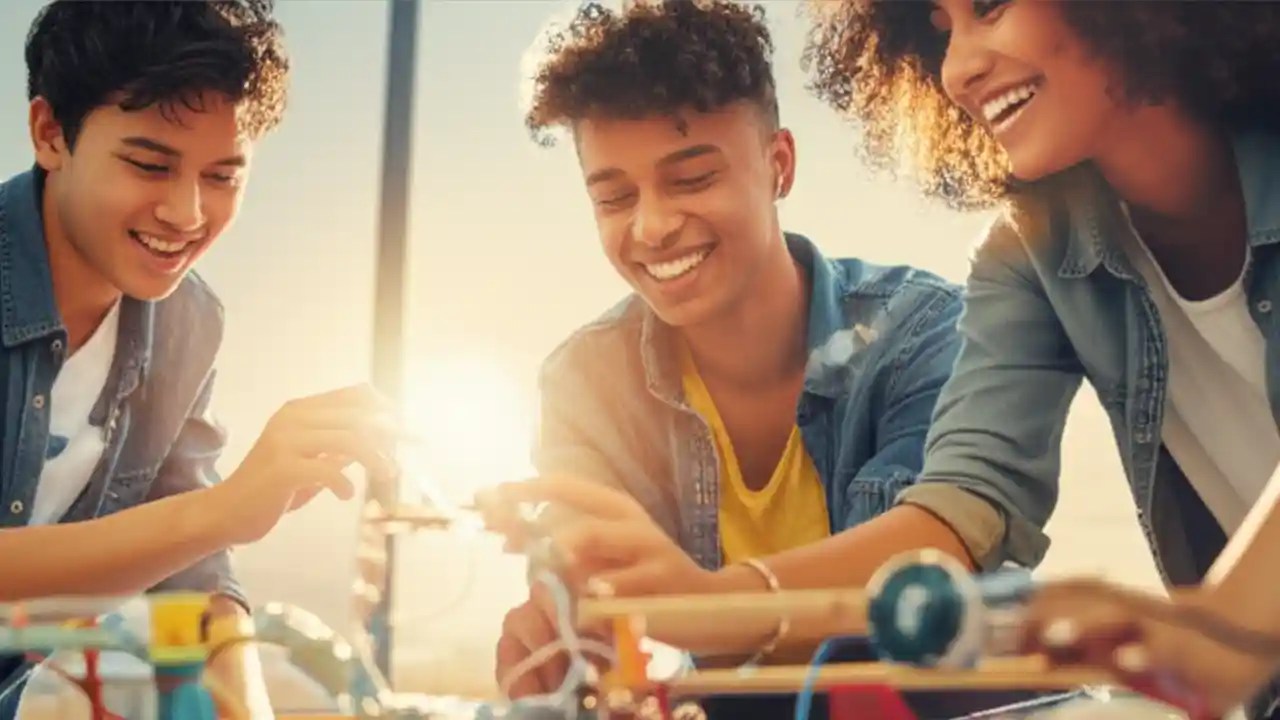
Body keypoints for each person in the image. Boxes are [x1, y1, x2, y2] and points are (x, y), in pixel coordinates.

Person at [799, 0, 1280, 716]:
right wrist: (687, 596)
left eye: (989, 7)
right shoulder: (1029, 248)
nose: (958, 70)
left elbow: (1220, 646)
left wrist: (1216, 632)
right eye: (940, 32)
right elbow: (965, 503)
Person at [484, 0, 968, 701]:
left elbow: (939, 567)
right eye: (615, 198)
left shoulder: (922, 333)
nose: (651, 227)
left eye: (692, 180)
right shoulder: (583, 384)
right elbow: (590, 596)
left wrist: (708, 606)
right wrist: (567, 642)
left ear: (779, 166)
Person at [0, 1, 398, 717]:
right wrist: (223, 512)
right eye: (149, 164)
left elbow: (195, 572)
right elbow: (204, 521)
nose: (186, 214)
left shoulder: (188, 322)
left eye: (222, 177)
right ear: (50, 132)